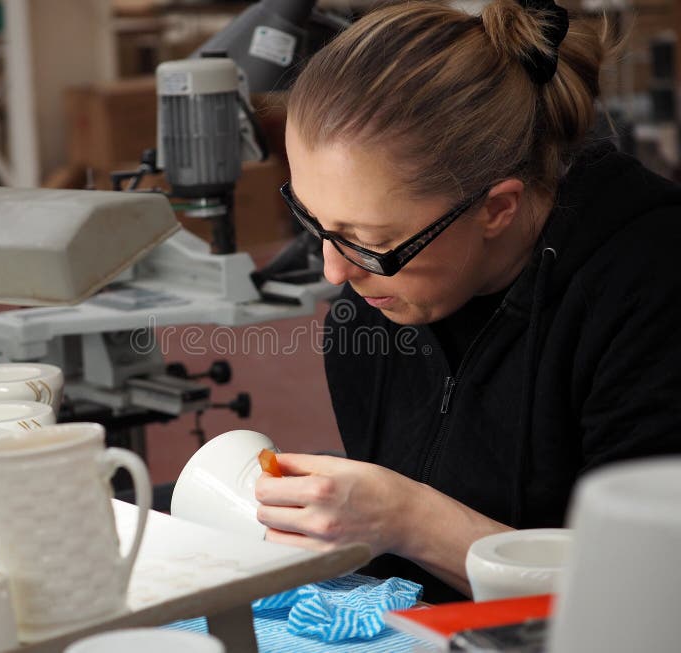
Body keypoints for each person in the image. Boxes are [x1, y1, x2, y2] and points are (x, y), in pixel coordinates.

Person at [253, 0, 681, 603]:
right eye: (312, 220)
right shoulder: (370, 312)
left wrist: (406, 520)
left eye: (371, 242)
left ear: (497, 208)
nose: (334, 271)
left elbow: (649, 594)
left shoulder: (650, 291)